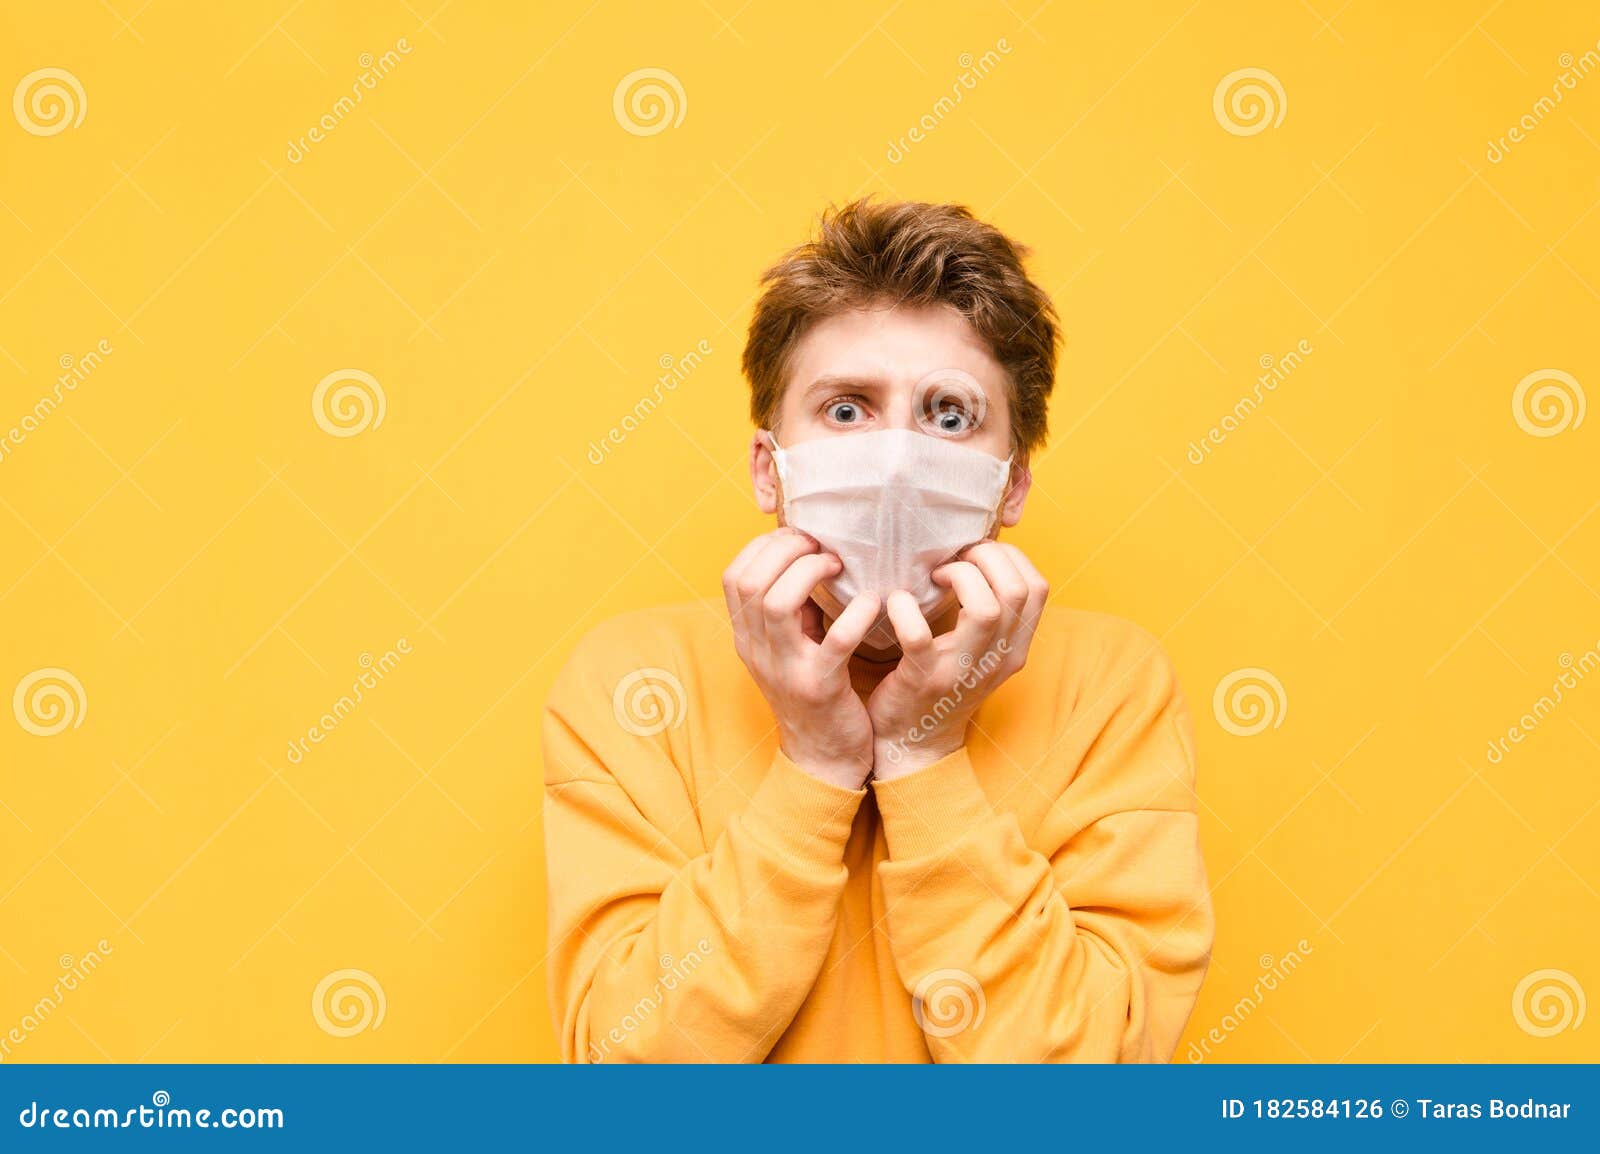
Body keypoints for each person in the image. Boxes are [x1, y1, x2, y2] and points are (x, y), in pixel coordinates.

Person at [543, 199, 1213, 1063]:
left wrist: (925, 755)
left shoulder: (1111, 683)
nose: (896, 461)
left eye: (948, 415)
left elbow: (1083, 1087)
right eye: (848, 410)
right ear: (768, 468)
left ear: (1011, 488)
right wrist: (814, 764)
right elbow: (627, 1080)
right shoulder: (635, 681)